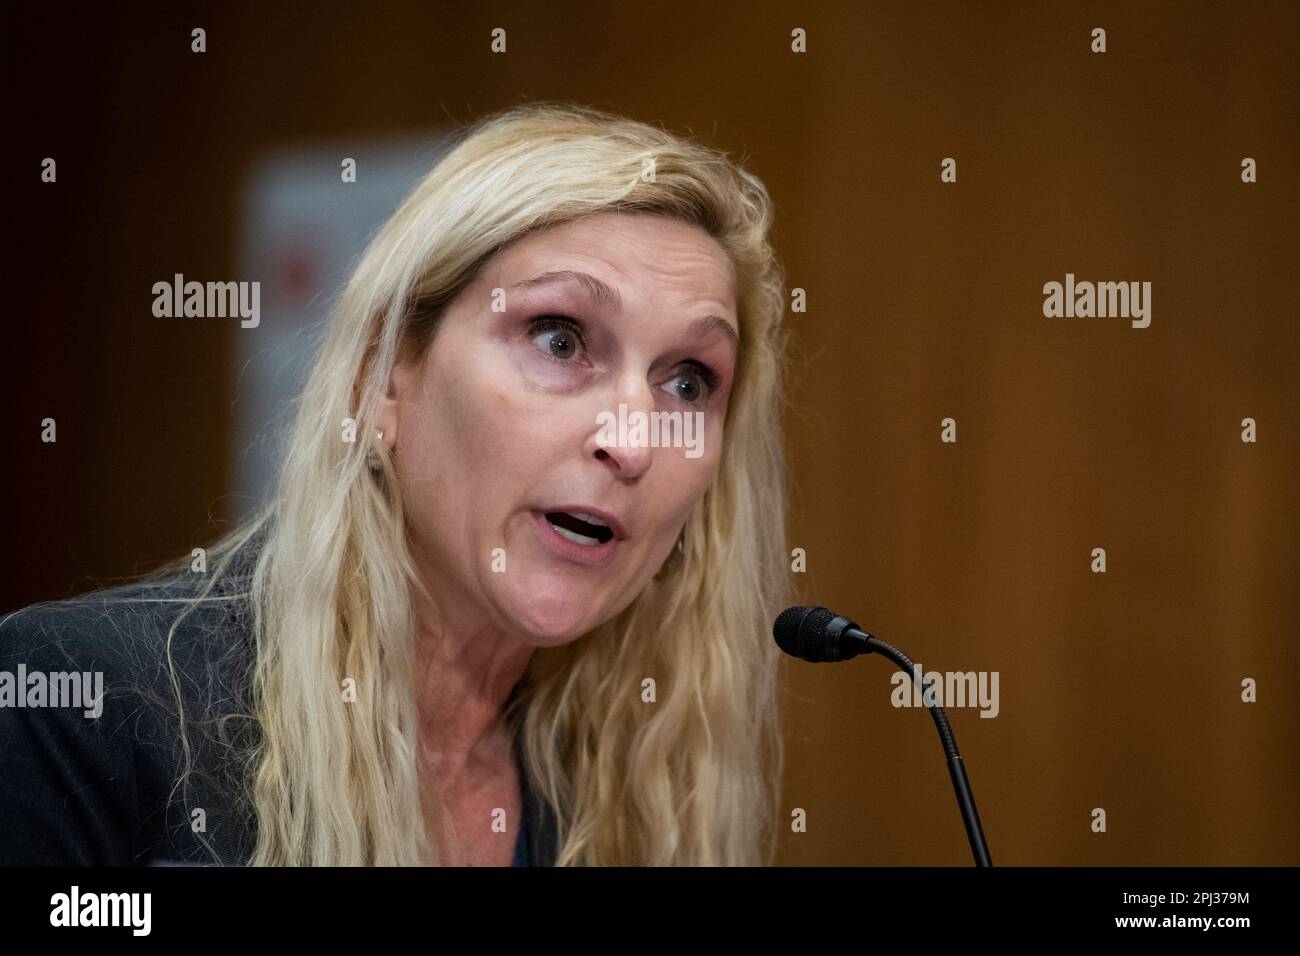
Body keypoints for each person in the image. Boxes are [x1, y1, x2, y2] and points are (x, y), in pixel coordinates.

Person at [0, 102, 791, 866]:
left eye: (688, 383)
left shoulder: (623, 788)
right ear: (383, 379)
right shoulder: (78, 703)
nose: (632, 442)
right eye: (560, 338)